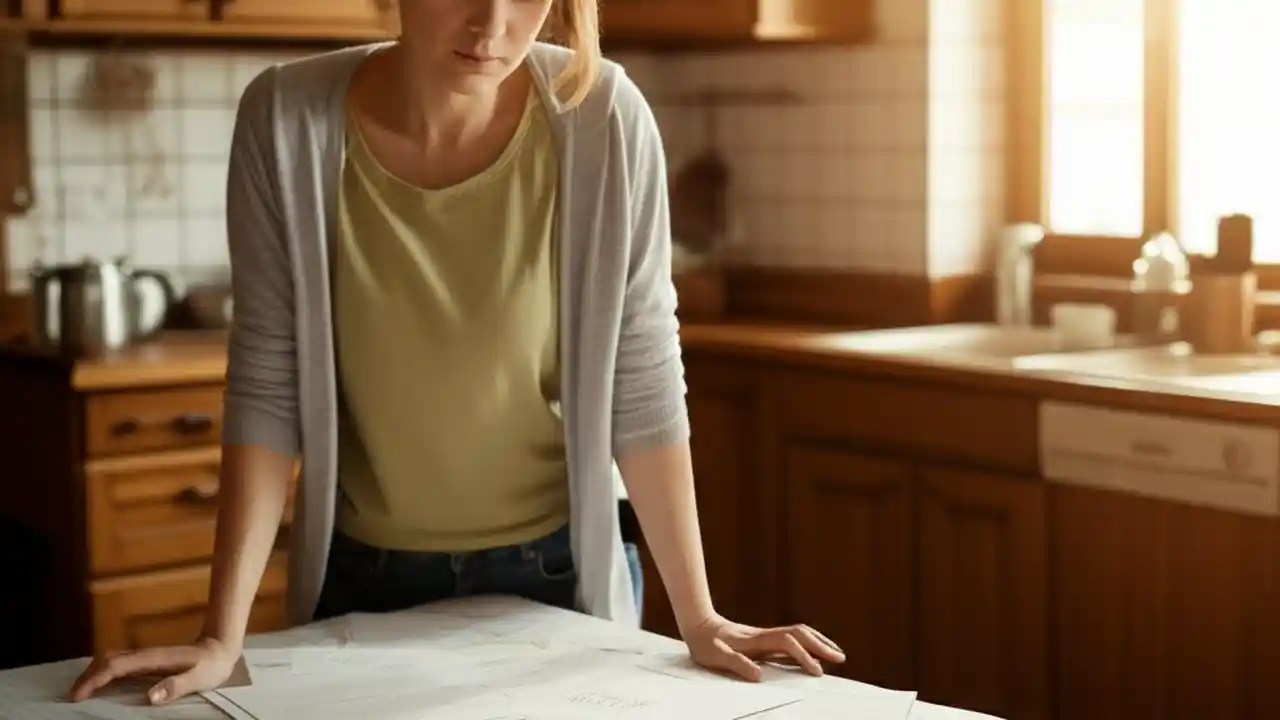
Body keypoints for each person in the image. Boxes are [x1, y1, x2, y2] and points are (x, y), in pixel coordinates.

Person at [70, 0, 845, 705]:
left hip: (557, 578)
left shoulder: (604, 115)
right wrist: (220, 635)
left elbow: (640, 380)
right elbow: (268, 386)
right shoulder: (284, 118)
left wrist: (700, 618)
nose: (492, 24)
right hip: (361, 577)